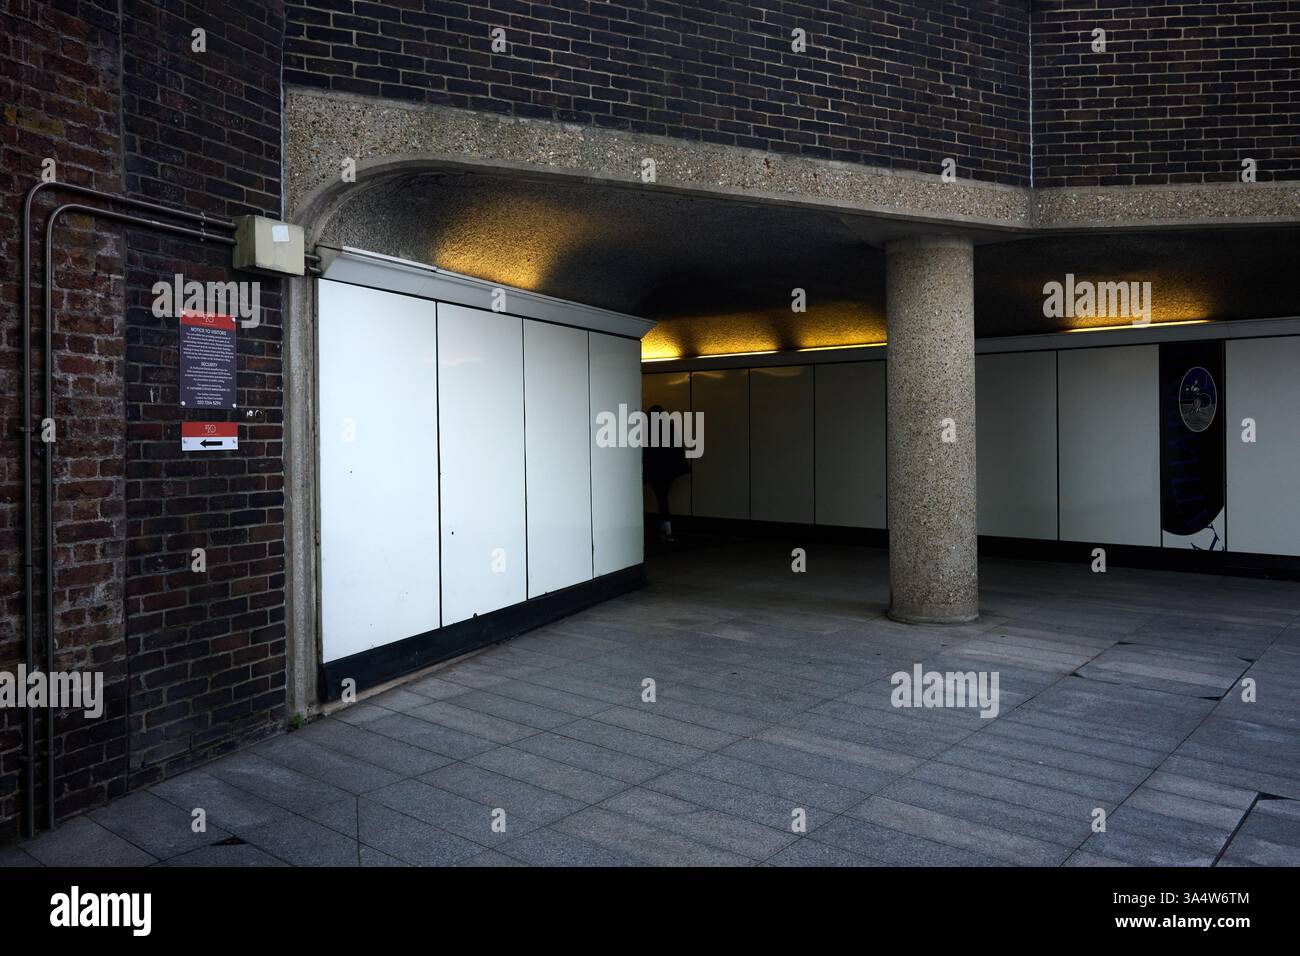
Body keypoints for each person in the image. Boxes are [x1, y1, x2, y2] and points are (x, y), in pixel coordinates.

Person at [643, 404, 689, 543]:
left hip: (657, 471)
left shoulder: (648, 430)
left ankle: (667, 531)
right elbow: (677, 449)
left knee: (661, 499)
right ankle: (664, 530)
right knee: (662, 498)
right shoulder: (669, 428)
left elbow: (646, 452)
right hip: (670, 471)